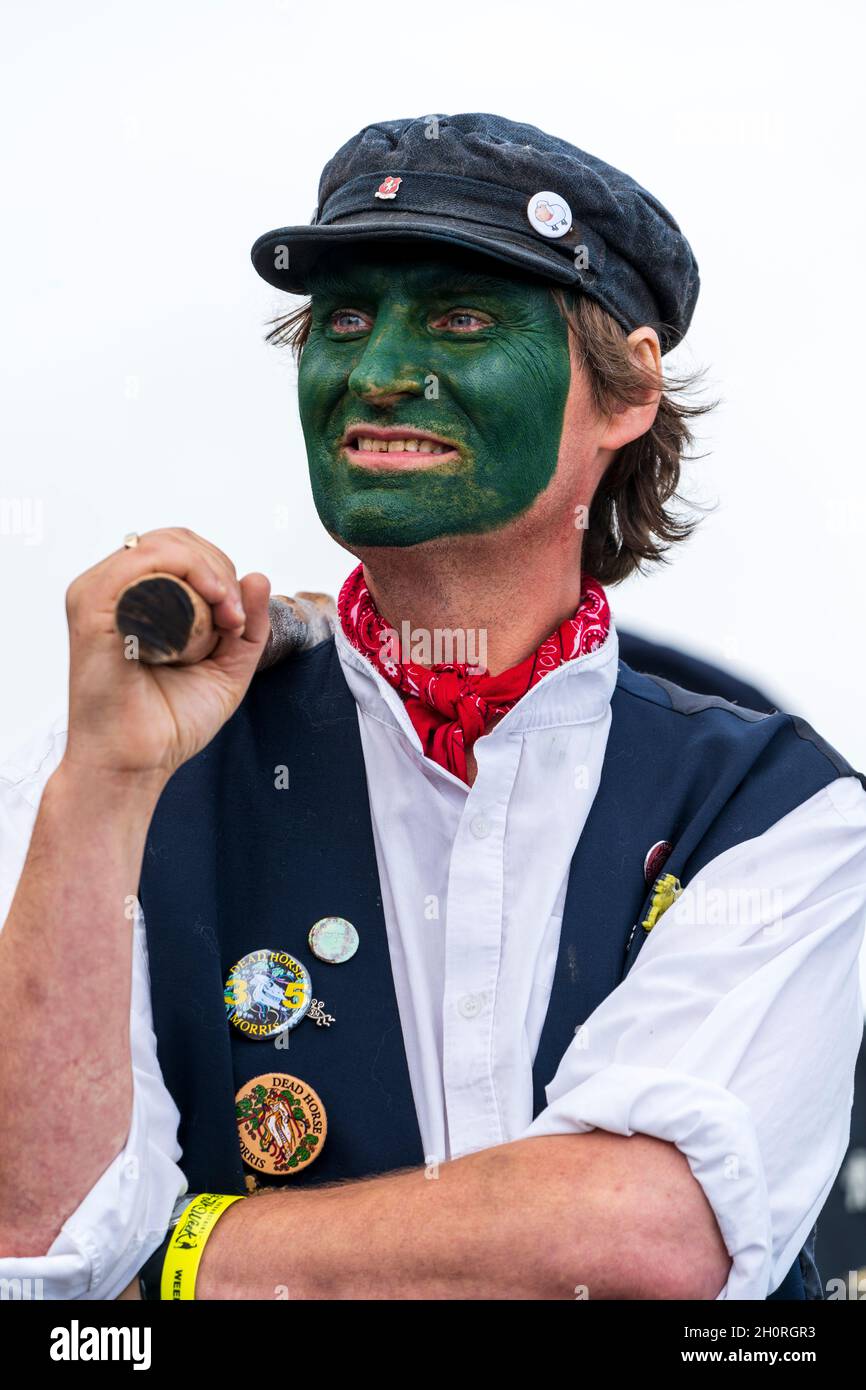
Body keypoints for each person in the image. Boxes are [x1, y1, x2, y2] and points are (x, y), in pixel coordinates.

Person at [1, 112, 864, 1302]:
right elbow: (37, 1251)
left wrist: (171, 1261)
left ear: (625, 390)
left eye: (460, 319)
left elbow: (640, 1238)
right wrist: (102, 789)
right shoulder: (108, 778)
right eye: (344, 320)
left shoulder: (774, 806)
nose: (375, 372)